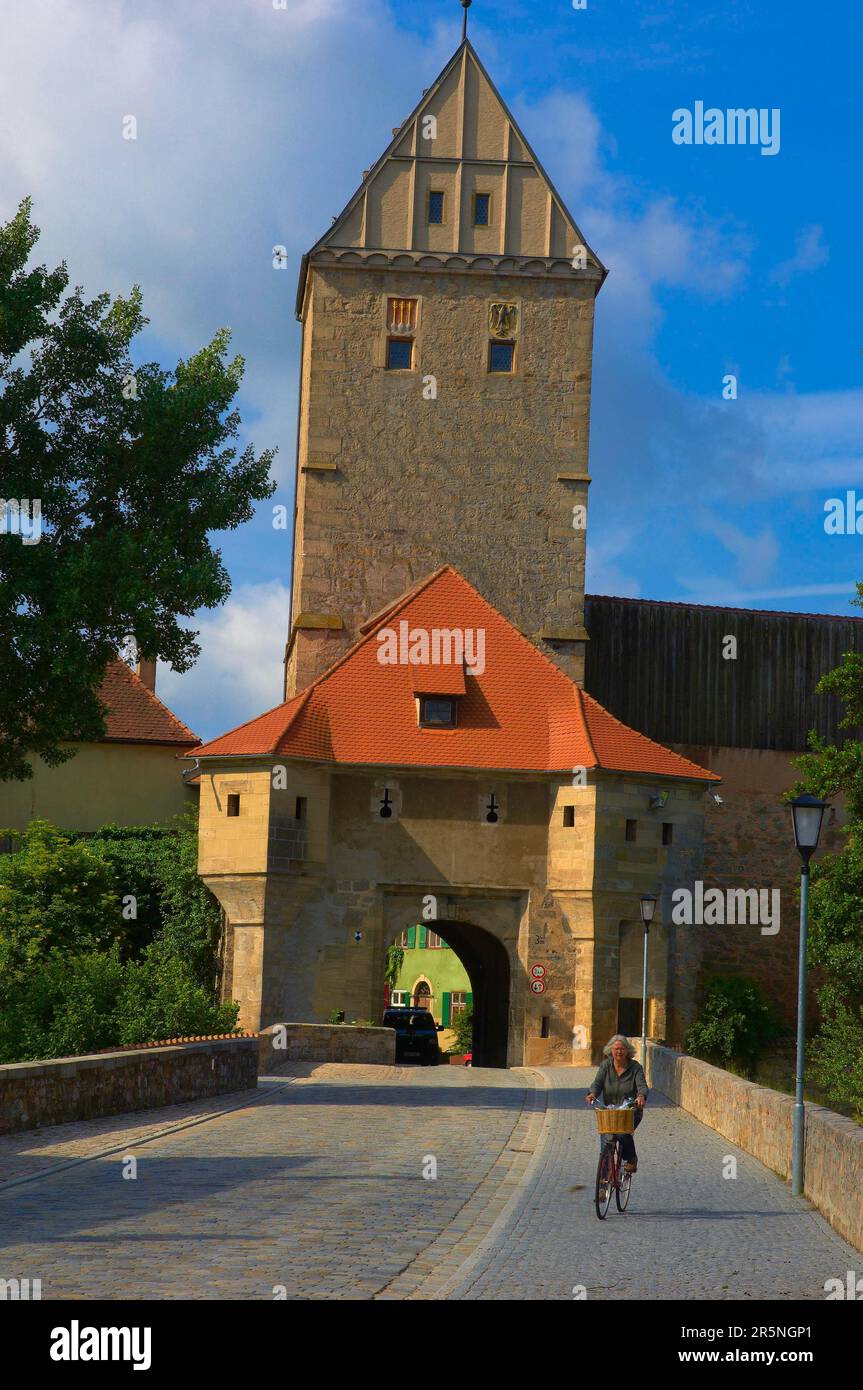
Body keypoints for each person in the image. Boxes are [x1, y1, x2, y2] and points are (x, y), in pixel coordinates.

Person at [586, 1034, 648, 1173]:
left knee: (622, 1133)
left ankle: (631, 1158)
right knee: (606, 1146)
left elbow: (642, 1086)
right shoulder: (605, 1066)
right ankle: (603, 1186)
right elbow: (597, 1084)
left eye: (622, 1049)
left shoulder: (635, 1068)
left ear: (627, 1051)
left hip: (630, 1111)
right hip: (609, 1112)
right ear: (611, 1050)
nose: (619, 1052)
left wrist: (641, 1096)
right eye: (616, 1049)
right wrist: (592, 1094)